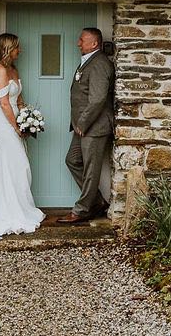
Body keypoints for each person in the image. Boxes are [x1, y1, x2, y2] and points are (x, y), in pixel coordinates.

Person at [0, 33, 44, 241]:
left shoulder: (13, 69)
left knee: (19, 165)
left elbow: (19, 99)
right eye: (17, 47)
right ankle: (6, 210)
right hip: (1, 121)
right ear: (8, 49)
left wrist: (27, 118)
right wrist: (16, 127)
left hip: (14, 118)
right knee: (8, 163)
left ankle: (22, 206)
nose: (20, 50)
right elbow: (4, 103)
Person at [58, 27, 115, 224]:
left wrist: (83, 122)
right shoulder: (89, 61)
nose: (78, 43)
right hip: (83, 127)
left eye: (82, 40)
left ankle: (82, 210)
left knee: (91, 170)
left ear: (94, 43)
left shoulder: (100, 63)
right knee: (73, 160)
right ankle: (96, 202)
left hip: (94, 126)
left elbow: (98, 99)